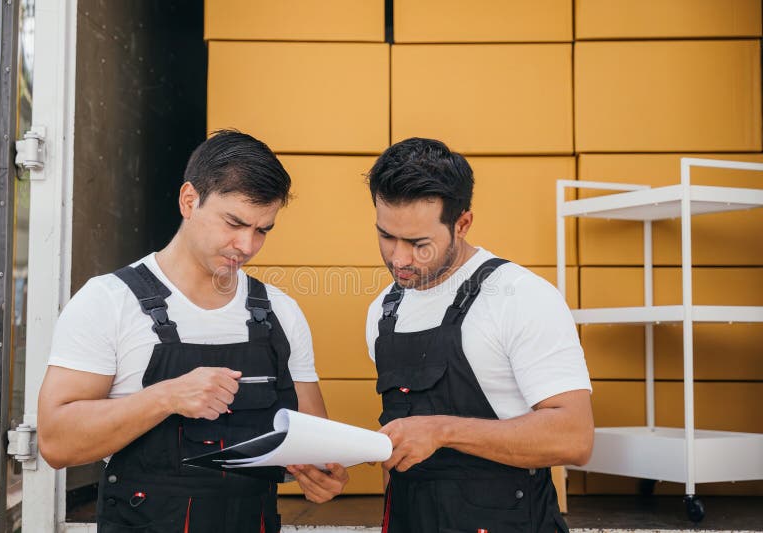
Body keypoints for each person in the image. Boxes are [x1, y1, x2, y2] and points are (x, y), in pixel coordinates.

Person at [38, 130, 348, 532]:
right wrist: (165, 397)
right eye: (234, 223)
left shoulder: (281, 314)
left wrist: (322, 476)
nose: (247, 245)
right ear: (189, 200)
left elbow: (312, 442)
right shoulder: (107, 302)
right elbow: (56, 443)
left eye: (262, 230)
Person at [365, 138, 594, 533]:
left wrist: (442, 431)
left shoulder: (521, 296)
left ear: (462, 223)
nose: (399, 259)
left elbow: (574, 437)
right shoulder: (384, 310)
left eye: (419, 244)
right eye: (386, 236)